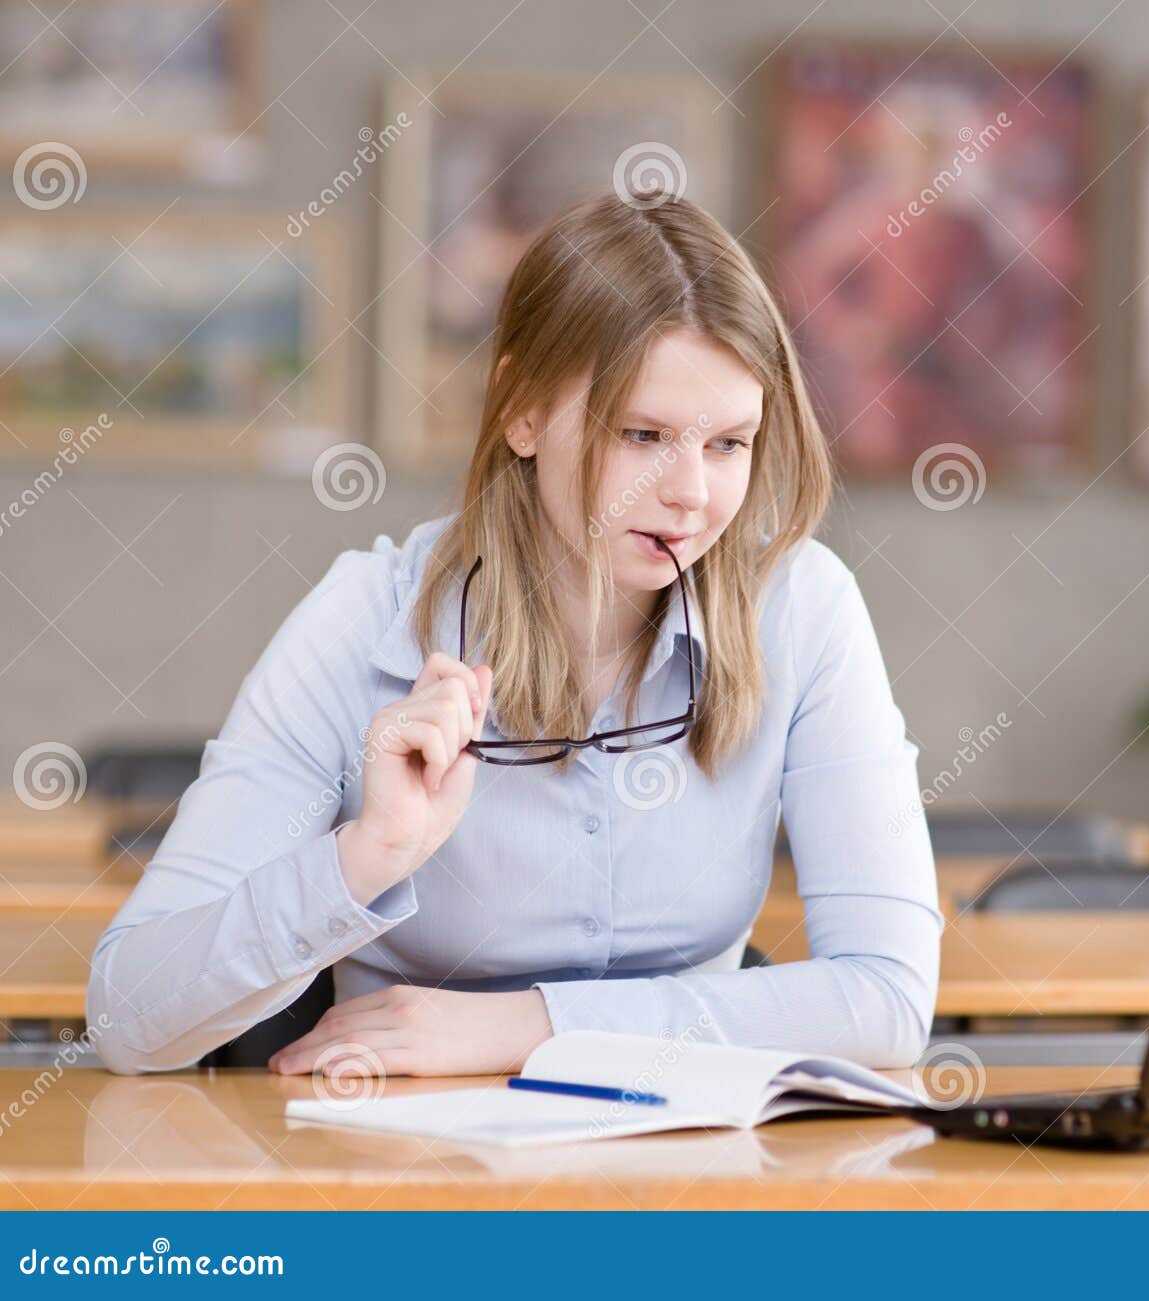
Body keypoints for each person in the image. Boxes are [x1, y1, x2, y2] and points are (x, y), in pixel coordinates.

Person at [87, 191, 944, 1078]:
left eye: (729, 443)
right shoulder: (361, 623)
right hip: (409, 1175)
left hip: (692, 1174)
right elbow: (126, 1017)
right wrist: (366, 856)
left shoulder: (803, 609)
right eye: (642, 433)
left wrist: (529, 1027)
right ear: (521, 410)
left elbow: (886, 996)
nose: (691, 492)